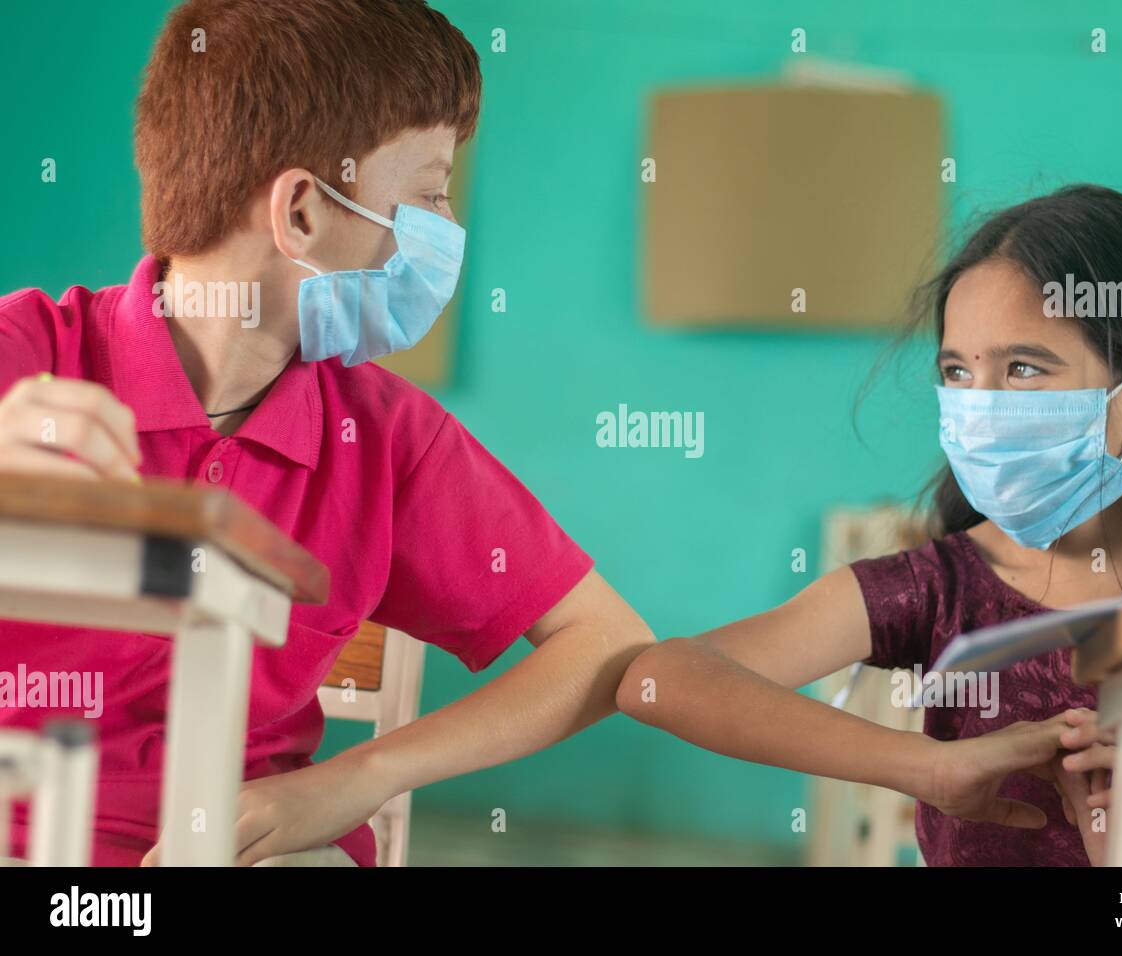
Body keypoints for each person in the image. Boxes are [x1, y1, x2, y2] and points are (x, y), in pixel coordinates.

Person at [0, 0, 655, 866]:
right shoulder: (27, 353)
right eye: (428, 196)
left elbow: (609, 644)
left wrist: (362, 777)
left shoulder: (388, 440)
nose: (447, 233)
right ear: (301, 213)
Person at [618, 185, 1122, 865]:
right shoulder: (942, 587)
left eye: (1024, 367)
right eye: (957, 371)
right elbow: (661, 679)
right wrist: (927, 768)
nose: (981, 410)